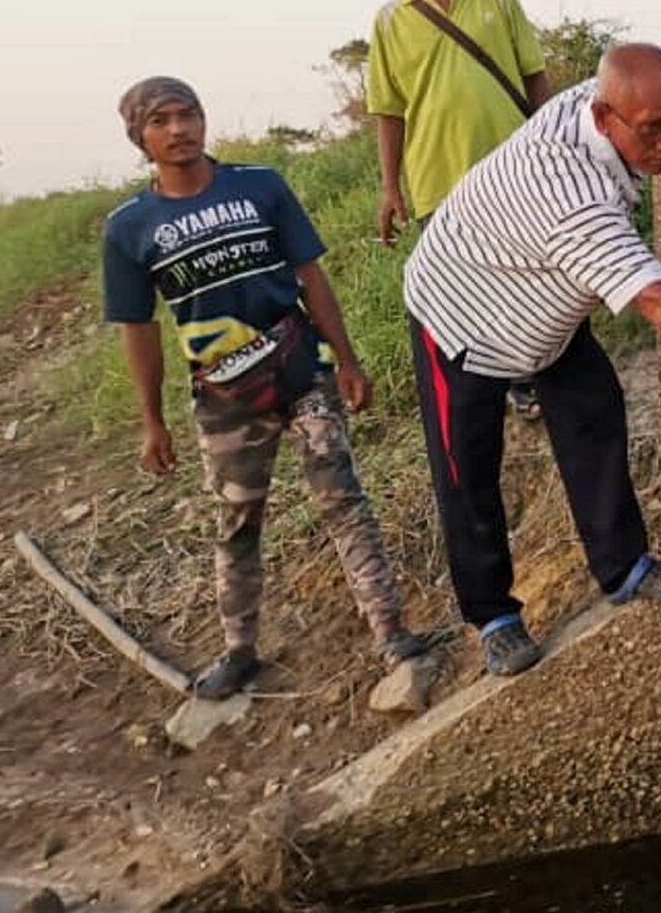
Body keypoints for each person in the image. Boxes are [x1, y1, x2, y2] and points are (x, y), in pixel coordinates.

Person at [403, 43, 661, 676]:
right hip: (460, 309)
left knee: (594, 412)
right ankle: (494, 618)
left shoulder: (600, 104)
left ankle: (624, 568)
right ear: (603, 118)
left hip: (541, 300)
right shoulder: (570, 197)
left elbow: (652, 105)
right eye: (652, 131)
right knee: (467, 467)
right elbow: (652, 298)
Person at [101, 77, 425, 700]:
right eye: (160, 121)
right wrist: (152, 421)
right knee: (238, 520)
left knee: (342, 497)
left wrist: (348, 361)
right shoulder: (129, 227)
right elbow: (138, 329)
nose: (179, 129)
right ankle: (239, 650)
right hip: (224, 397)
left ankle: (390, 631)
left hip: (302, 369)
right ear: (139, 137)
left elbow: (311, 276)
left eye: (188, 114)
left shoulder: (260, 185)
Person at [367, 0, 550, 418]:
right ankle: (506, 382)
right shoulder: (388, 21)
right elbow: (389, 112)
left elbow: (534, 76)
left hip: (515, 166)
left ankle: (539, 372)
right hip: (437, 177)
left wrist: (551, 147)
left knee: (533, 270)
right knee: (474, 286)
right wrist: (390, 187)